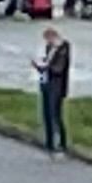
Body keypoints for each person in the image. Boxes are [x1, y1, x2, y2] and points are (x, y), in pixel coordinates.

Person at [35, 25, 74, 154]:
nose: (48, 42)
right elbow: (48, 63)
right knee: (46, 113)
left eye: (49, 39)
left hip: (57, 85)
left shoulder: (64, 47)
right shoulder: (49, 48)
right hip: (46, 82)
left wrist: (46, 67)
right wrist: (40, 65)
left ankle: (62, 142)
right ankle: (49, 142)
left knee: (55, 114)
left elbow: (59, 68)